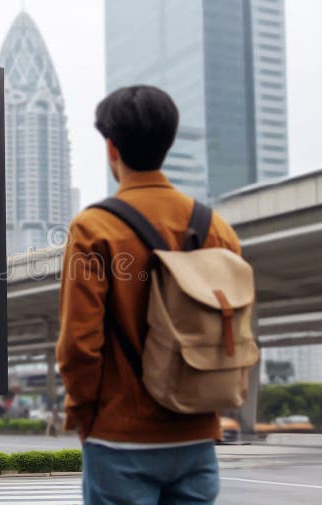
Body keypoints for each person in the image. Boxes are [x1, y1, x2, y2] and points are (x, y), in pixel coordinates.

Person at [56, 85, 242, 505]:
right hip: (196, 436)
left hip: (120, 436)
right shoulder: (218, 230)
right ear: (168, 142)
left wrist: (85, 418)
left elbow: (79, 345)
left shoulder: (93, 229)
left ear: (111, 148)